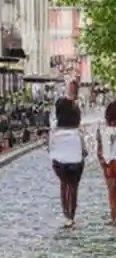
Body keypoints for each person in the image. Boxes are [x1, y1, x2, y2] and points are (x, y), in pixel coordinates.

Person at [50, 97, 87, 228]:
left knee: (64, 184)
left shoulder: (56, 128)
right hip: (76, 162)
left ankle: (66, 213)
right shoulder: (77, 129)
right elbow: (83, 147)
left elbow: (51, 146)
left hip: (60, 163)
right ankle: (71, 214)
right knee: (73, 186)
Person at [98, 102, 116, 224]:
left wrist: (103, 164)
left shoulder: (105, 131)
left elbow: (100, 150)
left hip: (110, 164)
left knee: (112, 190)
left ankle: (114, 217)